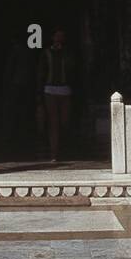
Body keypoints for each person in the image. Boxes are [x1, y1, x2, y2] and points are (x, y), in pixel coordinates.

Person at [39, 29, 74, 164]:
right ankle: (54, 153)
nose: (59, 38)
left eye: (61, 36)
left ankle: (64, 150)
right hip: (50, 89)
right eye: (57, 35)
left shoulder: (68, 53)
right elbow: (41, 73)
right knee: (53, 123)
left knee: (65, 121)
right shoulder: (46, 53)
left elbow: (72, 68)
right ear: (52, 37)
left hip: (65, 89)